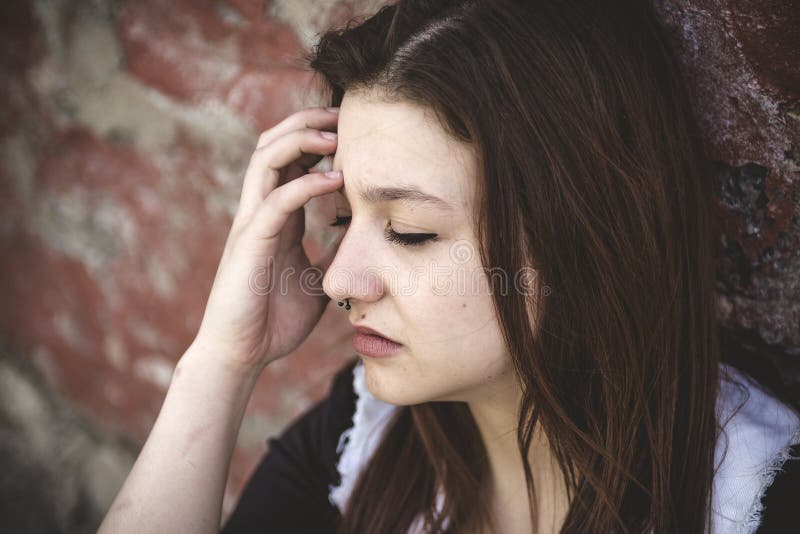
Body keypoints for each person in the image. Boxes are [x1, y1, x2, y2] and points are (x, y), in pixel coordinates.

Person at [98, 0, 800, 533]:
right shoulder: (365, 442)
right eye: (344, 218)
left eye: (409, 232)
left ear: (587, 239)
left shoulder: (755, 499)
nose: (340, 282)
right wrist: (222, 360)